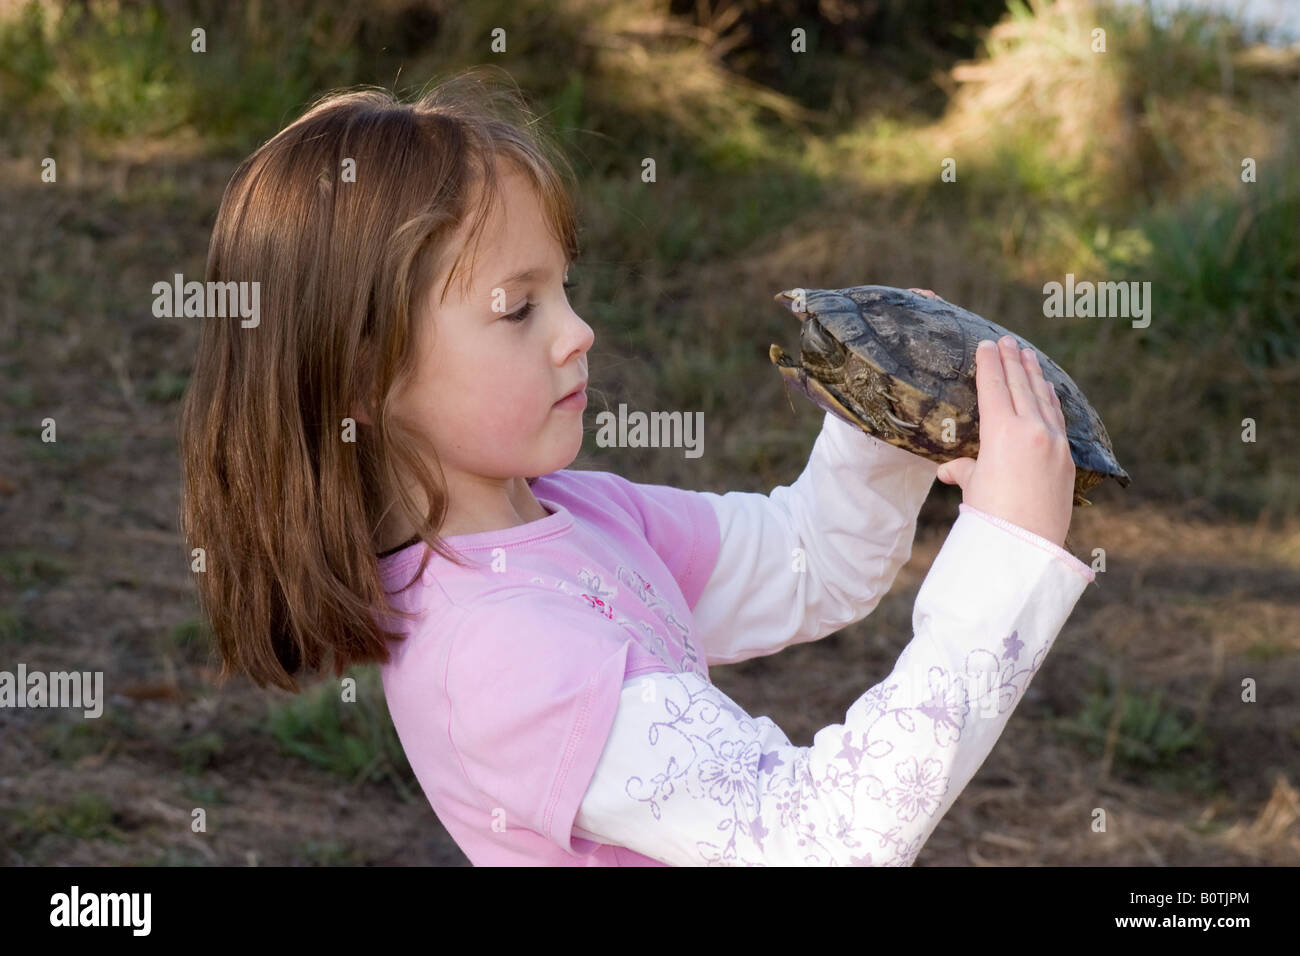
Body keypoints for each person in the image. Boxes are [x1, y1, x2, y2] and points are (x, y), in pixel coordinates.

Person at [178, 66, 1091, 867]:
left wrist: (885, 401)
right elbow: (817, 836)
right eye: (516, 309)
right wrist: (1005, 561)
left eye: (563, 289)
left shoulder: (576, 516)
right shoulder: (497, 657)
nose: (578, 333)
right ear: (362, 373)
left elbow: (810, 562)